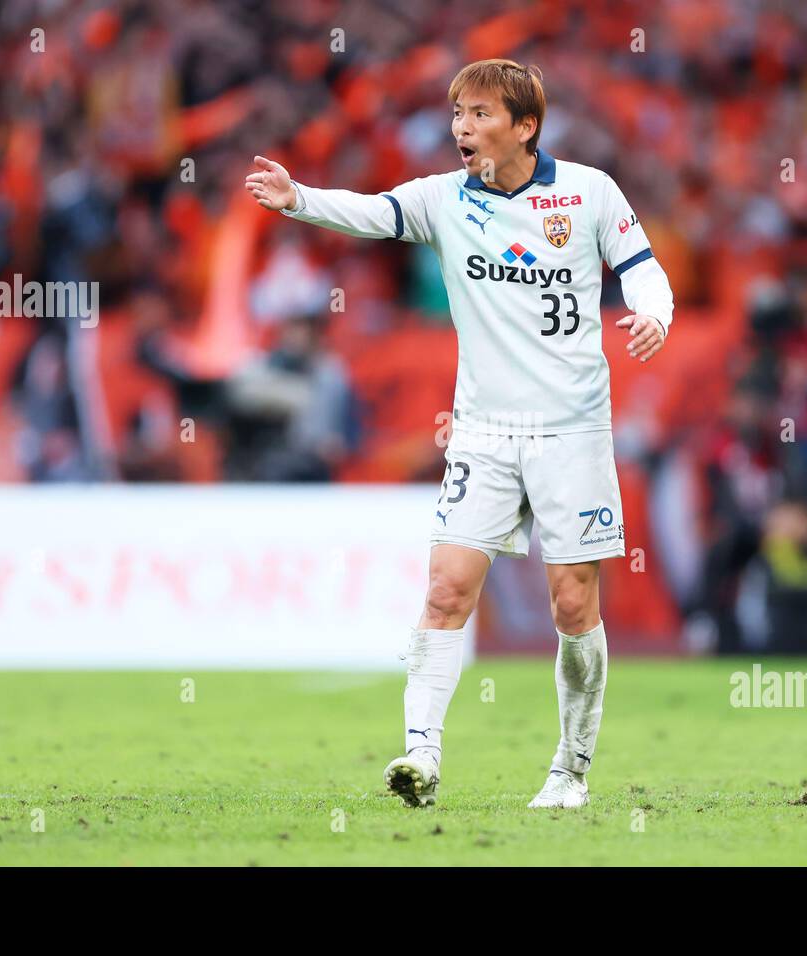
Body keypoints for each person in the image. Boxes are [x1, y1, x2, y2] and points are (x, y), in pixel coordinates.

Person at [244, 59, 674, 809]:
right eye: (457, 115)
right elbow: (372, 212)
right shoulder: (444, 200)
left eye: (478, 115)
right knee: (446, 589)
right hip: (483, 431)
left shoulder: (589, 193)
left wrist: (653, 313)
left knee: (573, 606)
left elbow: (642, 268)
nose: (461, 129)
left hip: (572, 429)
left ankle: (570, 771)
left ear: (525, 126)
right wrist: (298, 199)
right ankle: (421, 757)